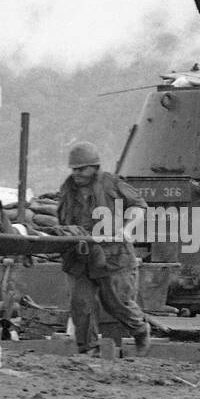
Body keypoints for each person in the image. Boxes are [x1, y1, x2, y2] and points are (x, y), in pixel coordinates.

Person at [56, 141, 150, 355]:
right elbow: (62, 220)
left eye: (82, 169)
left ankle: (140, 330)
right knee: (81, 304)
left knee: (117, 303)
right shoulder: (67, 190)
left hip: (113, 255)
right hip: (81, 256)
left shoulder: (112, 184)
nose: (77, 173)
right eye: (74, 169)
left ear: (94, 167)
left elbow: (138, 205)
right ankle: (88, 349)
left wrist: (127, 229)